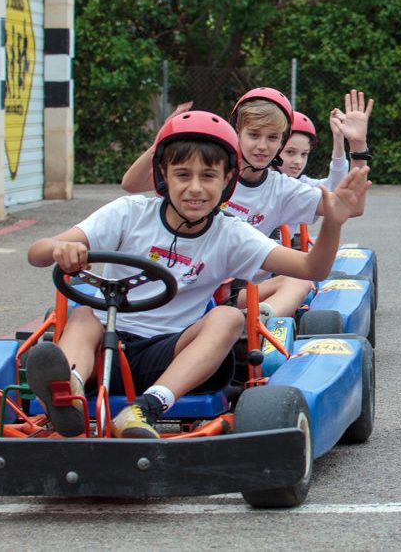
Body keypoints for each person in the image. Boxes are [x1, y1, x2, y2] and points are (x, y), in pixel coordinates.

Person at [26, 110, 370, 438]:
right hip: (103, 349)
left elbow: (313, 269)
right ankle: (65, 395)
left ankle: (145, 409)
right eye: (183, 175)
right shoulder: (128, 214)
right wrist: (60, 249)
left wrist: (334, 223)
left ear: (226, 181)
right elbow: (36, 253)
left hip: (173, 358)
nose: (195, 188)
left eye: (207, 176)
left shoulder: (230, 234)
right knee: (83, 316)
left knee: (227, 318)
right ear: (163, 176)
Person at [120, 87, 372, 318]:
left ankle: (256, 321)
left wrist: (357, 145)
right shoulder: (207, 172)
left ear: (282, 142)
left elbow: (350, 207)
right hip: (181, 277)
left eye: (273, 138)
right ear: (236, 133)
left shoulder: (280, 188)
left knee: (299, 281)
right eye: (253, 135)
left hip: (237, 292)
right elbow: (132, 185)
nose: (262, 146)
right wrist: (163, 142)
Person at [279, 110, 350, 191]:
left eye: (304, 154)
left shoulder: (305, 185)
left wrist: (338, 137)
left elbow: (336, 186)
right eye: (290, 152)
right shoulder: (263, 183)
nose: (299, 161)